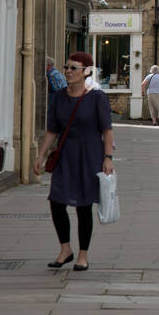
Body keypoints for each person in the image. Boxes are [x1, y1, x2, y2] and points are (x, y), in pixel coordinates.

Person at [35, 52, 113, 271]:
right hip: (65, 154)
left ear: (86, 72)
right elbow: (52, 130)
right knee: (57, 201)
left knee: (83, 205)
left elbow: (107, 130)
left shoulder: (97, 97)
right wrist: (41, 155)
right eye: (67, 67)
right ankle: (65, 249)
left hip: (89, 156)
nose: (68, 71)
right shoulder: (59, 97)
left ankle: (83, 255)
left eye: (74, 68)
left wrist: (108, 158)